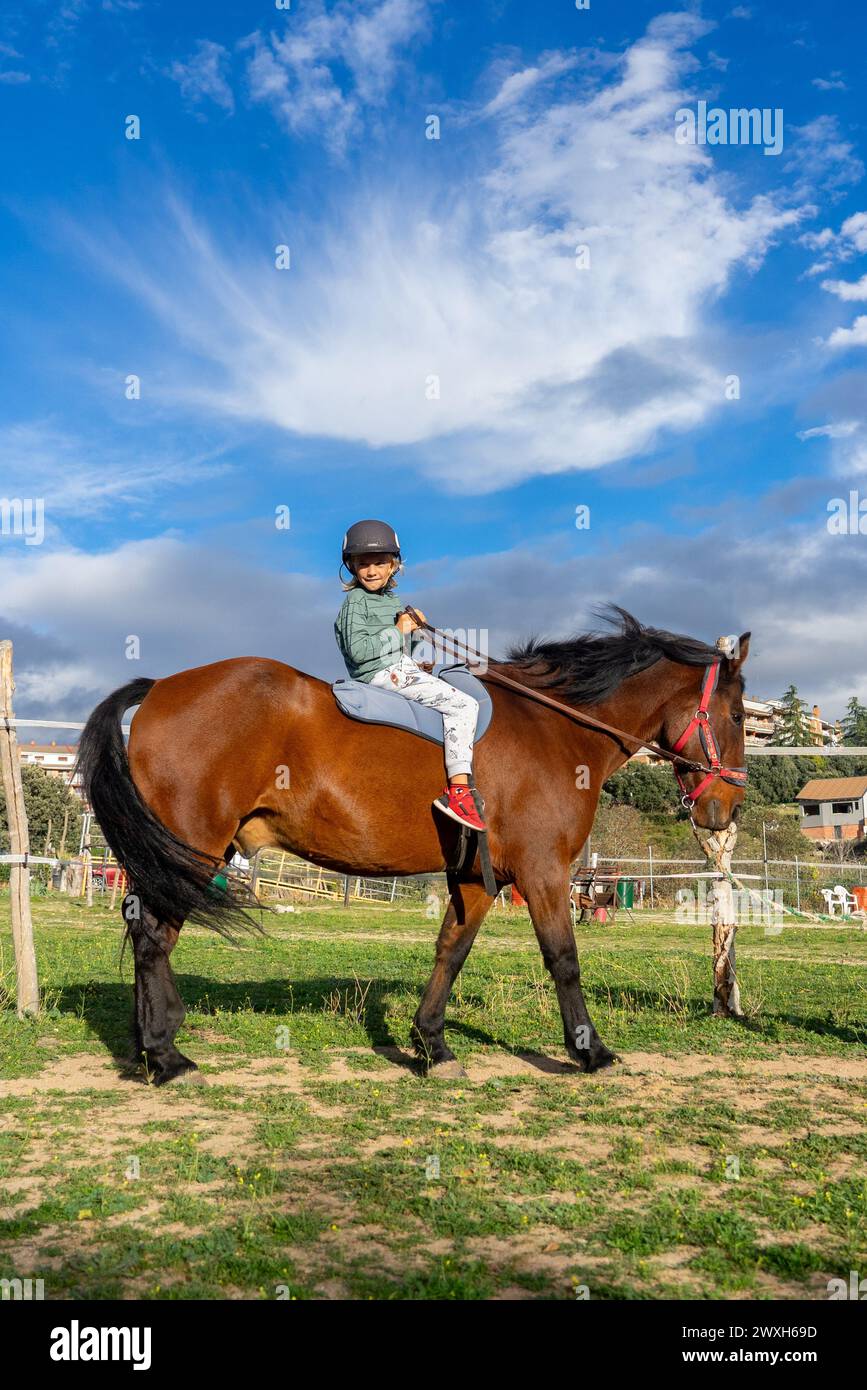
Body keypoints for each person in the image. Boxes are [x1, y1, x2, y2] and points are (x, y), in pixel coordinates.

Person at [334, 518, 487, 831]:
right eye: (363, 563)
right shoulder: (355, 602)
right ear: (351, 567)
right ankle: (458, 791)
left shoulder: (390, 601)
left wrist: (416, 638)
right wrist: (399, 629)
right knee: (464, 705)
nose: (372, 570)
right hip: (379, 674)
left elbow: (403, 650)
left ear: (393, 566)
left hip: (397, 668)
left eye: (379, 563)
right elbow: (360, 652)